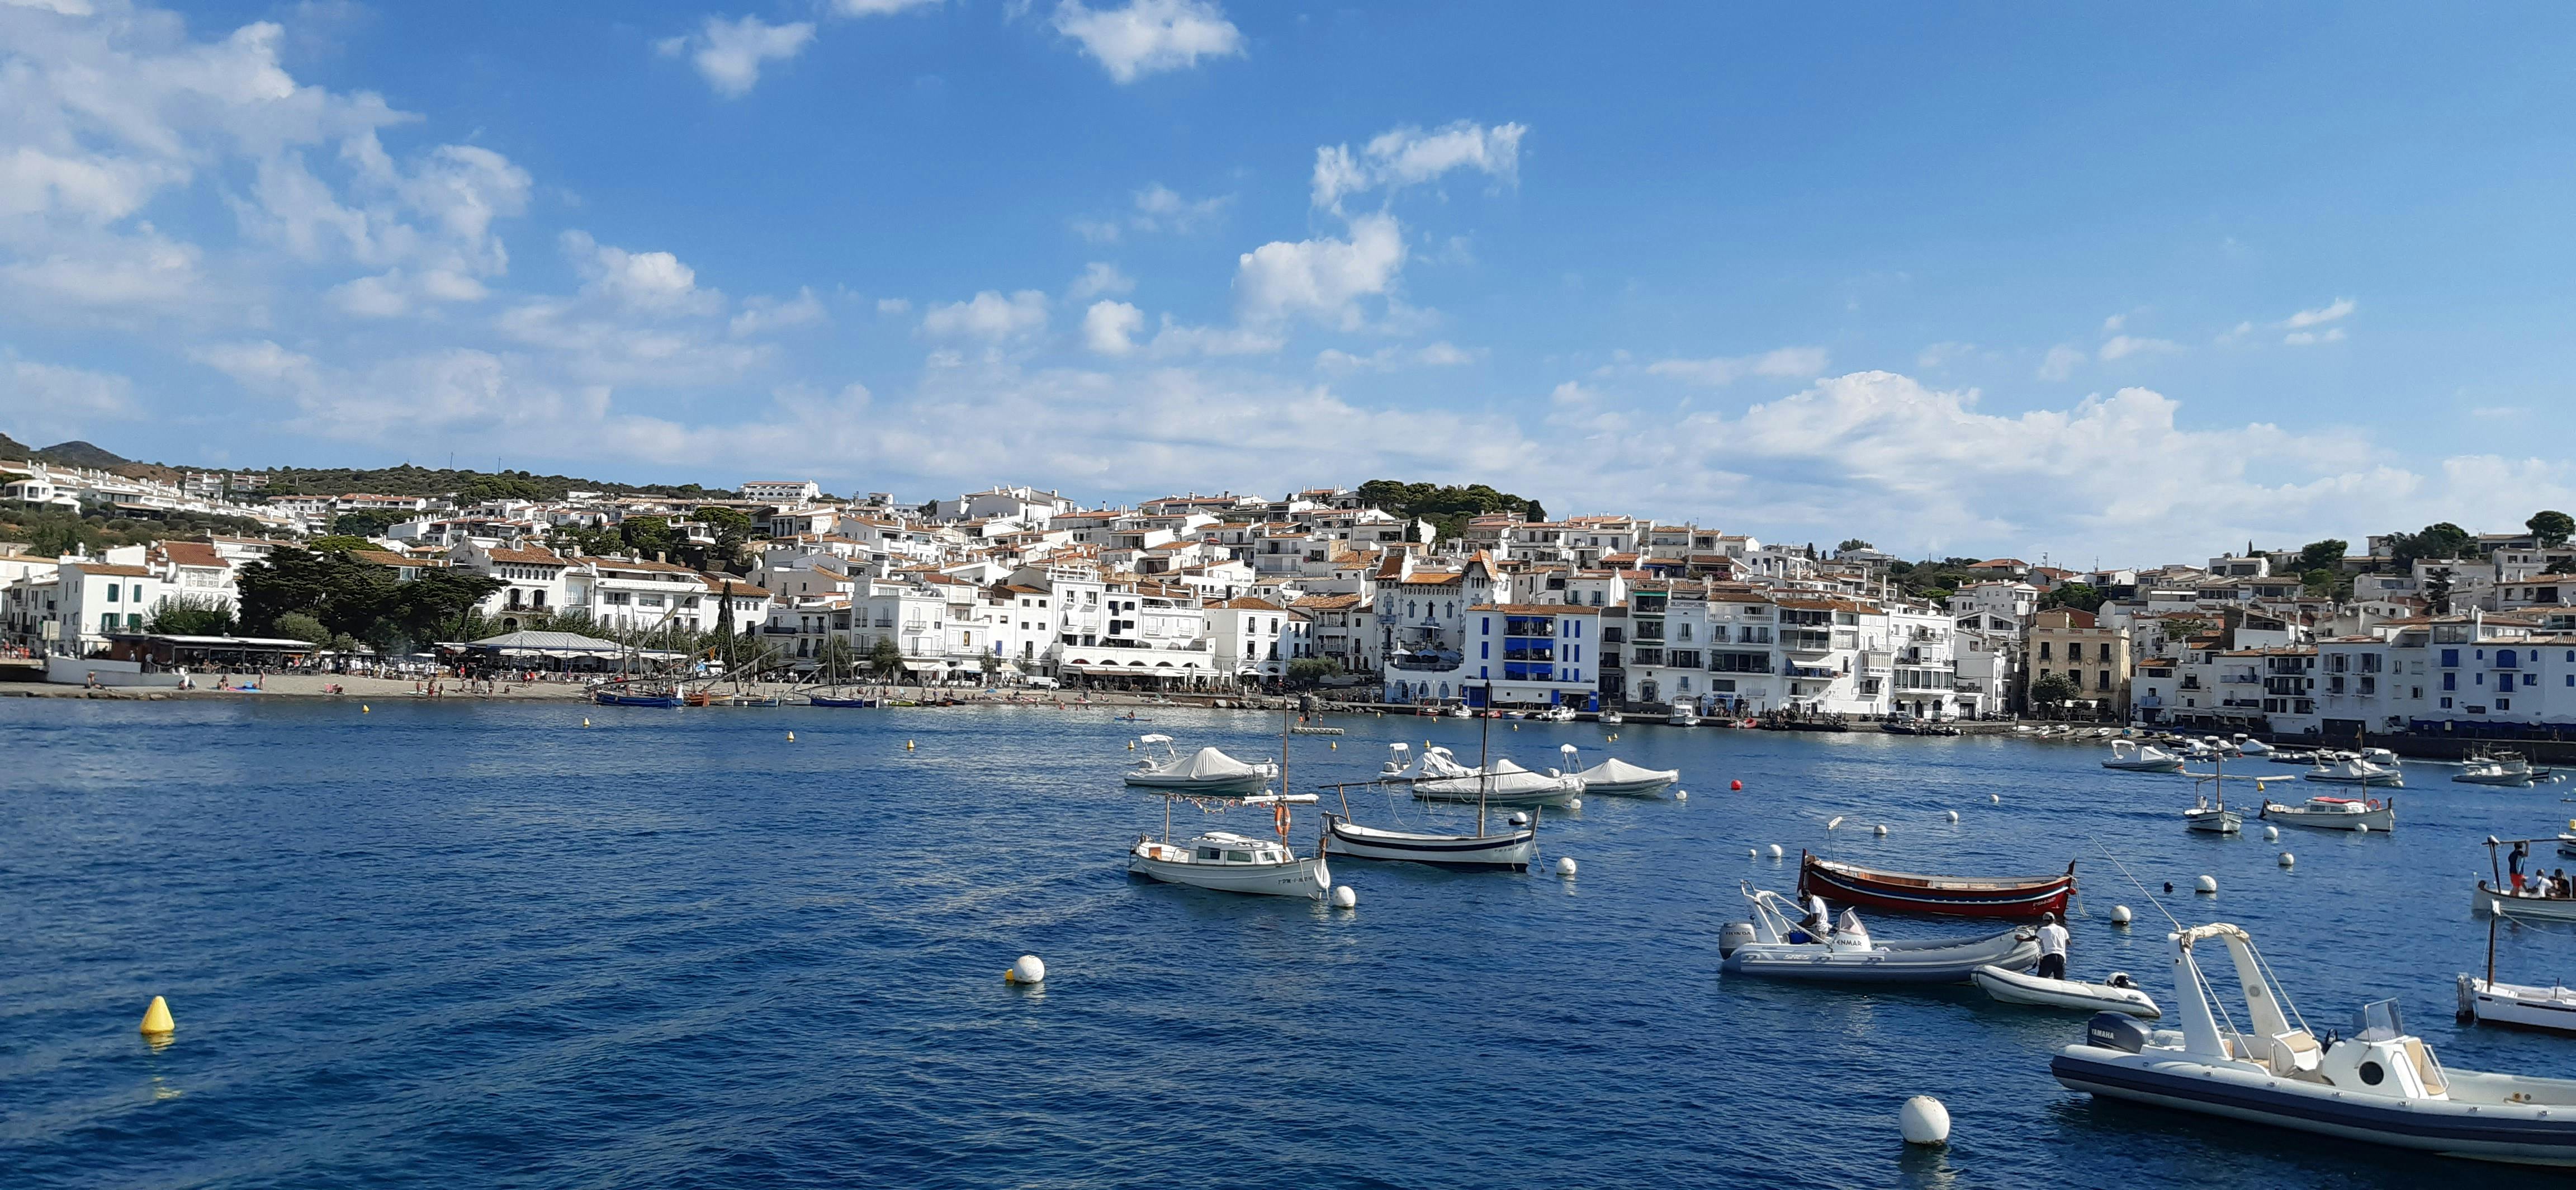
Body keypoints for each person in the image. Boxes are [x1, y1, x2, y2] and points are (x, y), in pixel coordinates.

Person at [2035, 911, 2071, 981]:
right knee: (2060, 980)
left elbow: (2034, 938)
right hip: (2061, 958)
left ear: (2044, 921)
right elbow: (2069, 942)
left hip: (2049, 957)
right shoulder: (2063, 929)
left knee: (2041, 979)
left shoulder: (2044, 929)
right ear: (2054, 920)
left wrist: (2022, 939)